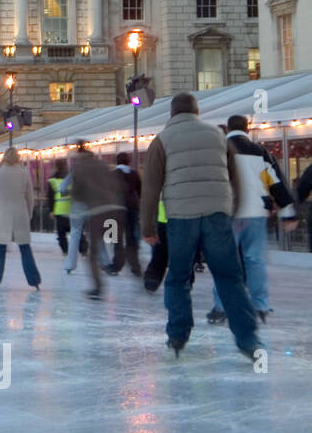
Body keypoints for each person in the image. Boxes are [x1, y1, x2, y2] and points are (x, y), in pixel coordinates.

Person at [139, 93, 263, 360]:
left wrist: (147, 227)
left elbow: (150, 187)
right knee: (230, 278)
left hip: (181, 216)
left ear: (172, 114)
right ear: (197, 111)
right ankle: (248, 339)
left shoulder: (162, 140)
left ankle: (177, 334)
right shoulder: (218, 136)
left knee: (178, 277)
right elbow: (235, 177)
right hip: (217, 213)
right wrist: (235, 211)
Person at [209, 115, 298, 324]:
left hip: (228, 213)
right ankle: (260, 305)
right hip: (256, 212)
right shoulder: (261, 152)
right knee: (255, 260)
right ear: (247, 129)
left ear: (229, 128)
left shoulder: (219, 151)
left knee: (225, 261)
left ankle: (222, 307)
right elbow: (276, 182)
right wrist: (288, 212)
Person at [66, 146, 124, 299]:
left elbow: (75, 192)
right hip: (114, 208)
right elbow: (115, 184)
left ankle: (96, 285)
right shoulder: (103, 166)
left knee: (90, 247)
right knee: (112, 240)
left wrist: (79, 197)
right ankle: (119, 266)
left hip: (95, 210)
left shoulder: (79, 169)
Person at [0, 149, 40, 290]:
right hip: (20, 213)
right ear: (17, 158)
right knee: (25, 248)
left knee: (0, 248)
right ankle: (34, 280)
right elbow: (30, 197)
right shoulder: (24, 174)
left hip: (2, 214)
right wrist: (29, 214)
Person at [109, 152, 143, 277]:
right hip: (133, 208)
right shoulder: (134, 173)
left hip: (117, 208)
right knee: (131, 237)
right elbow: (140, 191)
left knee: (116, 238)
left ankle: (116, 265)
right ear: (129, 161)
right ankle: (135, 266)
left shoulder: (113, 175)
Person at [46, 159, 72, 254]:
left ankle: (65, 250)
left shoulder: (53, 180)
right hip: (72, 209)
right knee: (77, 230)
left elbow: (50, 196)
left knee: (61, 233)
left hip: (59, 209)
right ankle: (83, 249)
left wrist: (51, 210)